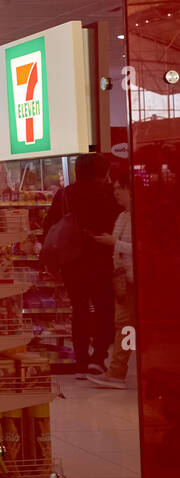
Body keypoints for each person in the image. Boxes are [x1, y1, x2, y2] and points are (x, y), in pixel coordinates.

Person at [41, 153, 119, 378]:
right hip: (102, 259)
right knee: (104, 309)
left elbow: (50, 228)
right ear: (102, 172)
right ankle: (99, 357)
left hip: (72, 262)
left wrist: (51, 262)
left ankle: (81, 362)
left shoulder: (65, 194)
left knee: (80, 310)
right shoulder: (108, 194)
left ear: (78, 171)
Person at [89, 167, 135, 389]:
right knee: (124, 325)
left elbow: (143, 248)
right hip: (123, 282)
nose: (115, 192)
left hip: (136, 281)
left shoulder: (142, 216)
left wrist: (114, 243)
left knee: (126, 326)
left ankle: (118, 372)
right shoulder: (122, 216)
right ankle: (118, 371)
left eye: (120, 188)